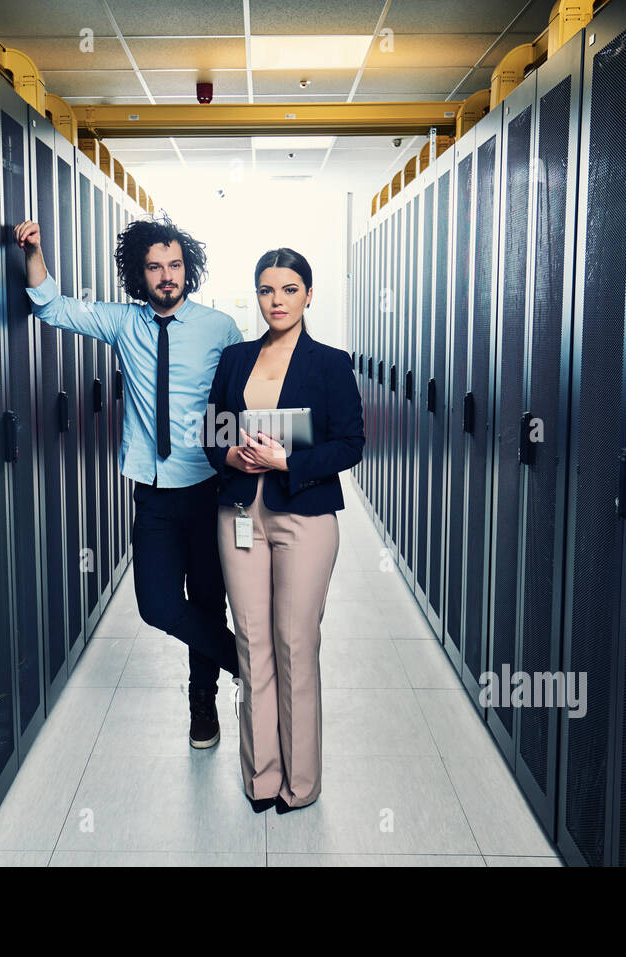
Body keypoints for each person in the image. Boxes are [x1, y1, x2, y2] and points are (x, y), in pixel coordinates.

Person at [15, 214, 242, 748]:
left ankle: (202, 702)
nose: (168, 275)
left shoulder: (219, 328)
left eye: (176, 265)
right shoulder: (123, 323)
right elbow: (51, 306)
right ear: (139, 275)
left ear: (189, 269)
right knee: (158, 604)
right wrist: (34, 250)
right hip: (154, 492)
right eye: (156, 267)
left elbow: (238, 402)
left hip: (210, 487)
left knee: (208, 600)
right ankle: (247, 660)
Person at [202, 248, 364, 813]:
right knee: (253, 642)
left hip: (306, 516)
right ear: (257, 295)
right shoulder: (235, 359)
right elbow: (211, 432)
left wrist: (286, 464)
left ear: (309, 295)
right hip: (241, 513)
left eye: (290, 289)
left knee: (296, 643)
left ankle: (301, 784)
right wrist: (232, 455)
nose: (277, 300)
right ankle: (261, 778)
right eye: (268, 290)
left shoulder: (330, 363)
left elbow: (351, 445)